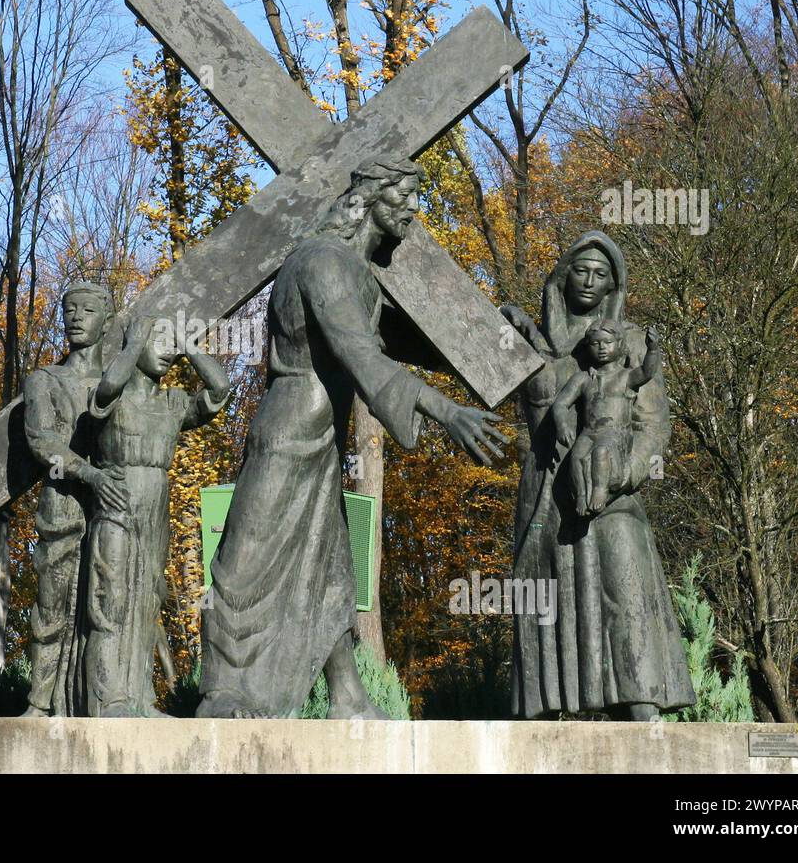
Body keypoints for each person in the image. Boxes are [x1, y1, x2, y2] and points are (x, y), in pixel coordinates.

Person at [197, 159, 509, 719]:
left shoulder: (355, 273)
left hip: (321, 439)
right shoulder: (323, 263)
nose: (415, 208)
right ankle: (224, 689)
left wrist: (494, 334)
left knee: (329, 567)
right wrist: (445, 412)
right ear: (369, 198)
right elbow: (359, 352)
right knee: (246, 559)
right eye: (406, 195)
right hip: (290, 429)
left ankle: (348, 696)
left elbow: (403, 342)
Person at [502, 232, 694, 721]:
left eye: (600, 273)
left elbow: (653, 424)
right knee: (546, 595)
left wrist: (620, 476)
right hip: (546, 491)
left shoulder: (627, 342)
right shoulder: (533, 340)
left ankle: (640, 699)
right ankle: (550, 710)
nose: (588, 281)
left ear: (613, 284)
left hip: (611, 487)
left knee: (623, 576)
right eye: (580, 270)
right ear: (563, 275)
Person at [83, 316, 230, 716]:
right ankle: (109, 698)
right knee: (109, 599)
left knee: (148, 598)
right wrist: (132, 345)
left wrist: (190, 343)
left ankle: (140, 698)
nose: (168, 351)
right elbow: (108, 388)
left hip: (156, 502)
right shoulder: (112, 393)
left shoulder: (173, 402)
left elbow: (220, 389)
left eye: (172, 344)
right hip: (117, 498)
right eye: (159, 341)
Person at [19, 281, 126, 717]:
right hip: (63, 506)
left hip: (113, 509)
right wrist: (89, 474)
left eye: (87, 309)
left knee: (110, 607)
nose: (75, 317)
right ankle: (40, 703)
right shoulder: (45, 379)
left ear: (107, 321)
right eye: (68, 310)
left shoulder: (120, 382)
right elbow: (41, 440)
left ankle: (106, 699)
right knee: (51, 606)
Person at [552, 320, 662, 515]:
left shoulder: (625, 377)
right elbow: (561, 403)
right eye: (595, 344)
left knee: (601, 452)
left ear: (620, 344)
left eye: (608, 342)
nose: (602, 348)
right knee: (577, 456)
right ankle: (580, 496)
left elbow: (647, 372)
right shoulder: (583, 379)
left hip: (615, 433)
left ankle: (599, 490)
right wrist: (561, 424)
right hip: (589, 431)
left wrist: (652, 349)